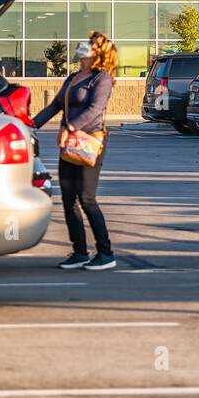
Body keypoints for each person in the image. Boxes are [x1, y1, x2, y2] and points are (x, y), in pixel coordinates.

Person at [33, 32, 119, 268]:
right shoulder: (72, 78)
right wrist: (29, 126)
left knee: (87, 198)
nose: (84, 47)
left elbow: (94, 109)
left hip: (89, 142)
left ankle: (106, 253)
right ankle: (79, 252)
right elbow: (55, 106)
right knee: (69, 198)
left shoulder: (101, 78)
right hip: (69, 144)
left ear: (98, 52)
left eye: (90, 45)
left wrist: (70, 127)